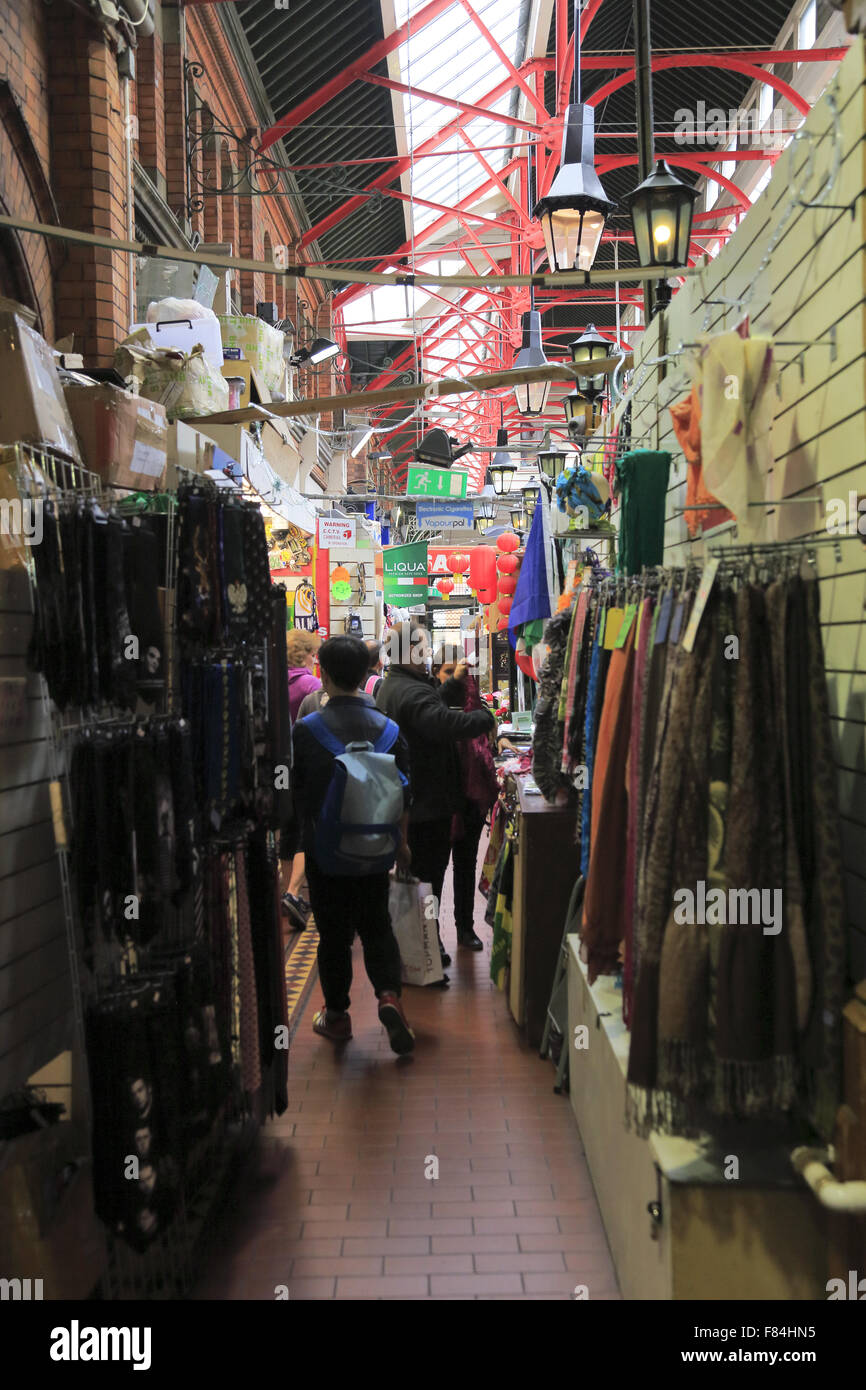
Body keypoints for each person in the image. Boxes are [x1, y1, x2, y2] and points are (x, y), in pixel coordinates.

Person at [291, 635, 415, 1054]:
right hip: (377, 849)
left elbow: (297, 795)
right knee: (377, 925)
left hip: (326, 854)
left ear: (322, 674)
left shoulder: (306, 732)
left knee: (334, 936)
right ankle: (389, 996)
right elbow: (405, 792)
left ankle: (338, 1016)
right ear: (367, 674)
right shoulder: (390, 729)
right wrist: (402, 844)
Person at [376, 621, 495, 972]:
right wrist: (481, 720)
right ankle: (424, 953)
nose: (427, 654)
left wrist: (455, 684)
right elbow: (440, 723)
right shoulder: (410, 691)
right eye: (424, 648)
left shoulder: (398, 685)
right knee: (427, 882)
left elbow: (427, 711)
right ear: (410, 651)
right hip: (425, 805)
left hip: (418, 801)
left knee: (422, 881)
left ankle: (425, 948)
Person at [432, 643, 498, 952]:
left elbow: (486, 737)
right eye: (448, 672)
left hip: (469, 803)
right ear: (436, 673)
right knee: (435, 873)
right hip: (440, 802)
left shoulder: (476, 708)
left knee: (464, 866)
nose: (456, 679)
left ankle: (465, 928)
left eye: (460, 673)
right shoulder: (431, 707)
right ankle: (431, 936)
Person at [282, 629, 323, 929]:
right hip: (305, 763)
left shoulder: (275, 679)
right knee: (307, 828)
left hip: (280, 763)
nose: (314, 658)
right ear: (304, 654)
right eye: (312, 653)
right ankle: (293, 892)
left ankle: (285, 892)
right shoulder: (311, 685)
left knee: (287, 826)